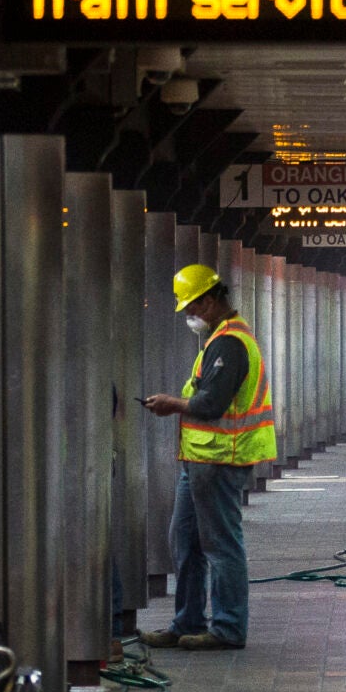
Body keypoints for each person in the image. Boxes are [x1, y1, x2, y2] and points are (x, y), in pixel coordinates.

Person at [140, 263, 276, 650]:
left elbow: (212, 403)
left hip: (221, 459)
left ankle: (228, 628)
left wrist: (172, 403)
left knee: (220, 544)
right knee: (184, 539)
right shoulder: (217, 339)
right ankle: (186, 621)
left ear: (213, 299)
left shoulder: (230, 343)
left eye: (193, 306)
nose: (188, 314)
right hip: (200, 460)